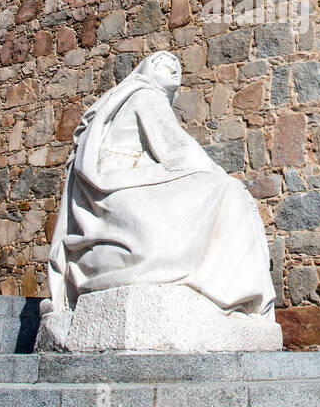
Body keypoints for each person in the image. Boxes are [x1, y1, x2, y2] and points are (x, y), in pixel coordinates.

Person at [42, 50, 276, 323]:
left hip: (117, 186)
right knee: (227, 190)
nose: (175, 70)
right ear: (149, 70)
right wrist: (216, 172)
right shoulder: (146, 95)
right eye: (166, 66)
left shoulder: (120, 100)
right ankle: (236, 292)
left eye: (178, 67)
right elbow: (178, 151)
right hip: (126, 182)